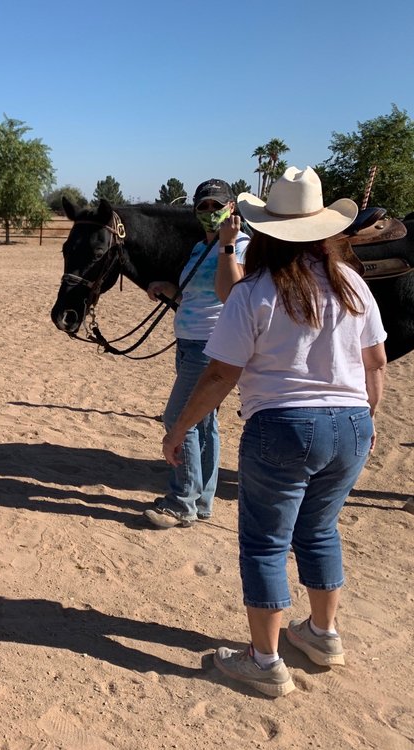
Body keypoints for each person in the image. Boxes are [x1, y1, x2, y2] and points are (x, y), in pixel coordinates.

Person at [162, 166, 387, 697]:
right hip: (351, 423)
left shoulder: (256, 291)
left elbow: (221, 374)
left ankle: (264, 661)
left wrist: (180, 429)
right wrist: (368, 419)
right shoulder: (352, 282)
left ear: (266, 231)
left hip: (283, 424)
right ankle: (322, 634)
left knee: (265, 544)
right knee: (321, 529)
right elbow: (375, 361)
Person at [144, 179, 250, 529]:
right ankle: (202, 500)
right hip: (189, 343)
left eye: (216, 206)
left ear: (231, 208)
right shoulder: (197, 249)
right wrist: (169, 289)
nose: (209, 213)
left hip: (212, 347)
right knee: (204, 422)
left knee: (179, 418)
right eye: (202, 207)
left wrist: (228, 245)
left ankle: (181, 501)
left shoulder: (241, 246)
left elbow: (234, 293)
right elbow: (197, 295)